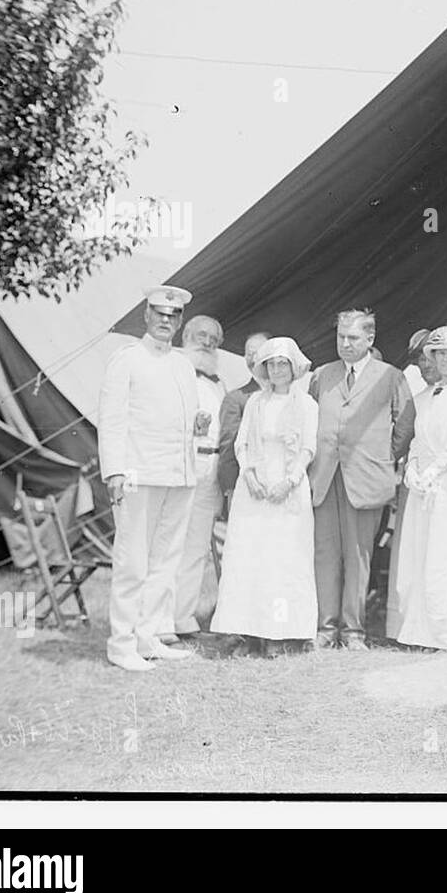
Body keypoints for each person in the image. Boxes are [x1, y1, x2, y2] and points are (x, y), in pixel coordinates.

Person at [96, 285, 200, 671]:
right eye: (159, 313)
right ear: (146, 315)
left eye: (173, 316)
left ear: (180, 321)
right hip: (138, 474)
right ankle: (121, 643)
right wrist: (116, 471)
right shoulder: (127, 359)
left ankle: (148, 636)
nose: (166, 321)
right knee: (132, 560)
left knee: (165, 561)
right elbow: (112, 419)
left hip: (179, 473)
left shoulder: (183, 364)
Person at [308, 309, 415, 649]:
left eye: (353, 338)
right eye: (341, 337)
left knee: (358, 556)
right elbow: (309, 419)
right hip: (325, 478)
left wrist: (382, 458)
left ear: (370, 339)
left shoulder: (392, 376)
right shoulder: (322, 375)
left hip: (366, 480)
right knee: (324, 553)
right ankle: (326, 628)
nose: (345, 344)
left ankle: (353, 631)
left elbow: (406, 424)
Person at [210, 338, 319, 656]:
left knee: (283, 562)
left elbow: (308, 448)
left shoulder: (307, 406)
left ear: (294, 367)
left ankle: (280, 632)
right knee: (251, 560)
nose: (276, 369)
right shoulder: (256, 402)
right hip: (254, 488)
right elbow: (241, 444)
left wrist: (290, 481)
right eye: (270, 364)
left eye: (282, 363)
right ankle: (250, 632)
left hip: (288, 490)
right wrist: (250, 476)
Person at [394, 326, 447, 651]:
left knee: (445, 560)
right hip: (423, 489)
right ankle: (421, 634)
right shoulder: (422, 398)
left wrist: (434, 470)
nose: (445, 359)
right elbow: (417, 441)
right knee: (419, 558)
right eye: (439, 353)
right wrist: (413, 471)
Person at [167, 314, 227, 643]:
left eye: (214, 338)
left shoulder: (218, 382)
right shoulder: (174, 370)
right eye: (201, 335)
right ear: (186, 336)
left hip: (210, 472)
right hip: (181, 467)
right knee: (170, 546)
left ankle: (183, 618)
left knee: (196, 548)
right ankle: (159, 620)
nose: (208, 342)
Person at [385, 329, 439, 639]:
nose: (426, 366)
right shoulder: (414, 399)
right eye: (420, 361)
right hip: (414, 481)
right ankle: (406, 624)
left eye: (430, 358)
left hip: (444, 482)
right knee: (410, 550)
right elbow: (401, 440)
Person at [217, 331, 272, 516]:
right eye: (249, 353)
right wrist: (230, 488)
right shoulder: (235, 398)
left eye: (259, 351)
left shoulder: (291, 395)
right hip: (247, 486)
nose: (254, 357)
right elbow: (228, 447)